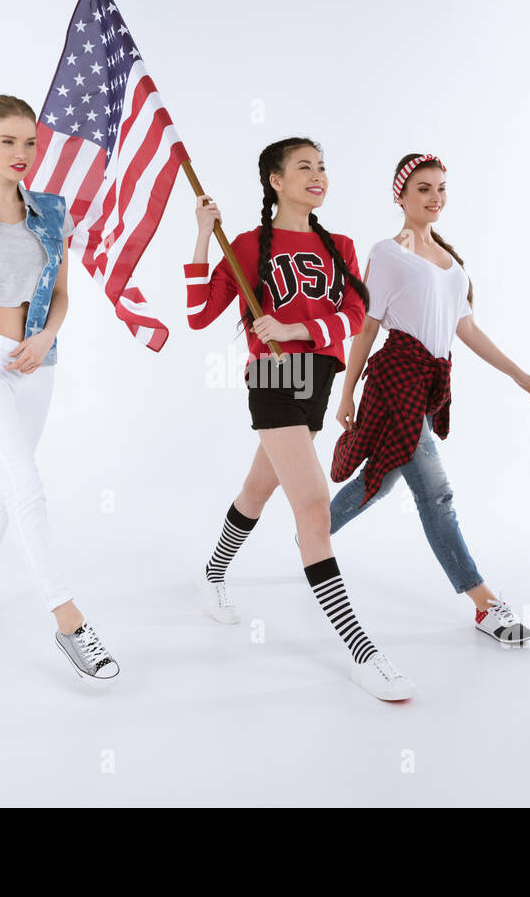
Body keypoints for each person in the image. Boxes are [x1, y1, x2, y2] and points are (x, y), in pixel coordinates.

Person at [183, 136, 416, 701]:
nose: (317, 175)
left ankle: (212, 574)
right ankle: (364, 653)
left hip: (318, 380)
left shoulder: (338, 244)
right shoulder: (244, 245)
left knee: (257, 489)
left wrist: (295, 330)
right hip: (271, 381)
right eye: (303, 167)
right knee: (312, 507)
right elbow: (196, 315)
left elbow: (356, 314)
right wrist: (200, 235)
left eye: (322, 167)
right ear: (275, 181)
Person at [0, 94, 119, 686]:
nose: (22, 153)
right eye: (8, 141)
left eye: (29, 142)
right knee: (26, 484)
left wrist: (45, 339)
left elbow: (61, 293)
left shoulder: (54, 211)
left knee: (4, 485)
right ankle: (69, 620)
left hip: (36, 360)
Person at [328, 153, 530, 646]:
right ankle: (485, 604)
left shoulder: (451, 263)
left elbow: (465, 328)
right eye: (424, 189)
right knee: (437, 493)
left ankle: (312, 536)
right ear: (400, 196)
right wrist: (346, 389)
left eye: (442, 188)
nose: (435, 198)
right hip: (395, 379)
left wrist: (517, 374)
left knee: (379, 481)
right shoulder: (387, 253)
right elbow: (368, 326)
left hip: (429, 384)